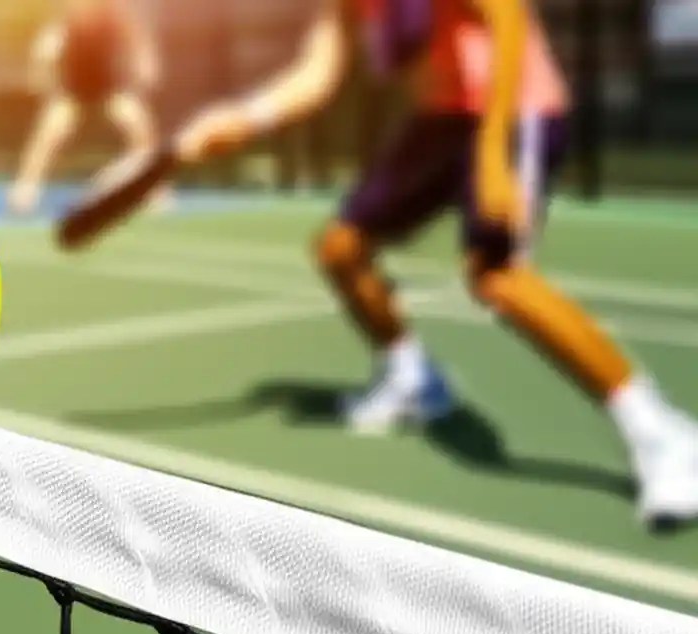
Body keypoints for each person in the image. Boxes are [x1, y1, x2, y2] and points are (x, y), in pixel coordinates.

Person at [171, 0, 698, 531]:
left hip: (515, 109)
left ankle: (663, 433)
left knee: (498, 278)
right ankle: (412, 381)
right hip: (444, 119)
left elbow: (508, 17)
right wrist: (248, 118)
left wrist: (493, 154)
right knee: (341, 248)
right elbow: (320, 71)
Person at [8, 0, 165, 215]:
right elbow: (45, 50)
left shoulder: (113, 18)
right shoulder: (66, 21)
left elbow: (136, 40)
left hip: (108, 86)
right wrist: (44, 78)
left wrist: (146, 65)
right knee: (49, 131)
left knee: (138, 124)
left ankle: (154, 188)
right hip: (73, 89)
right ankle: (25, 190)